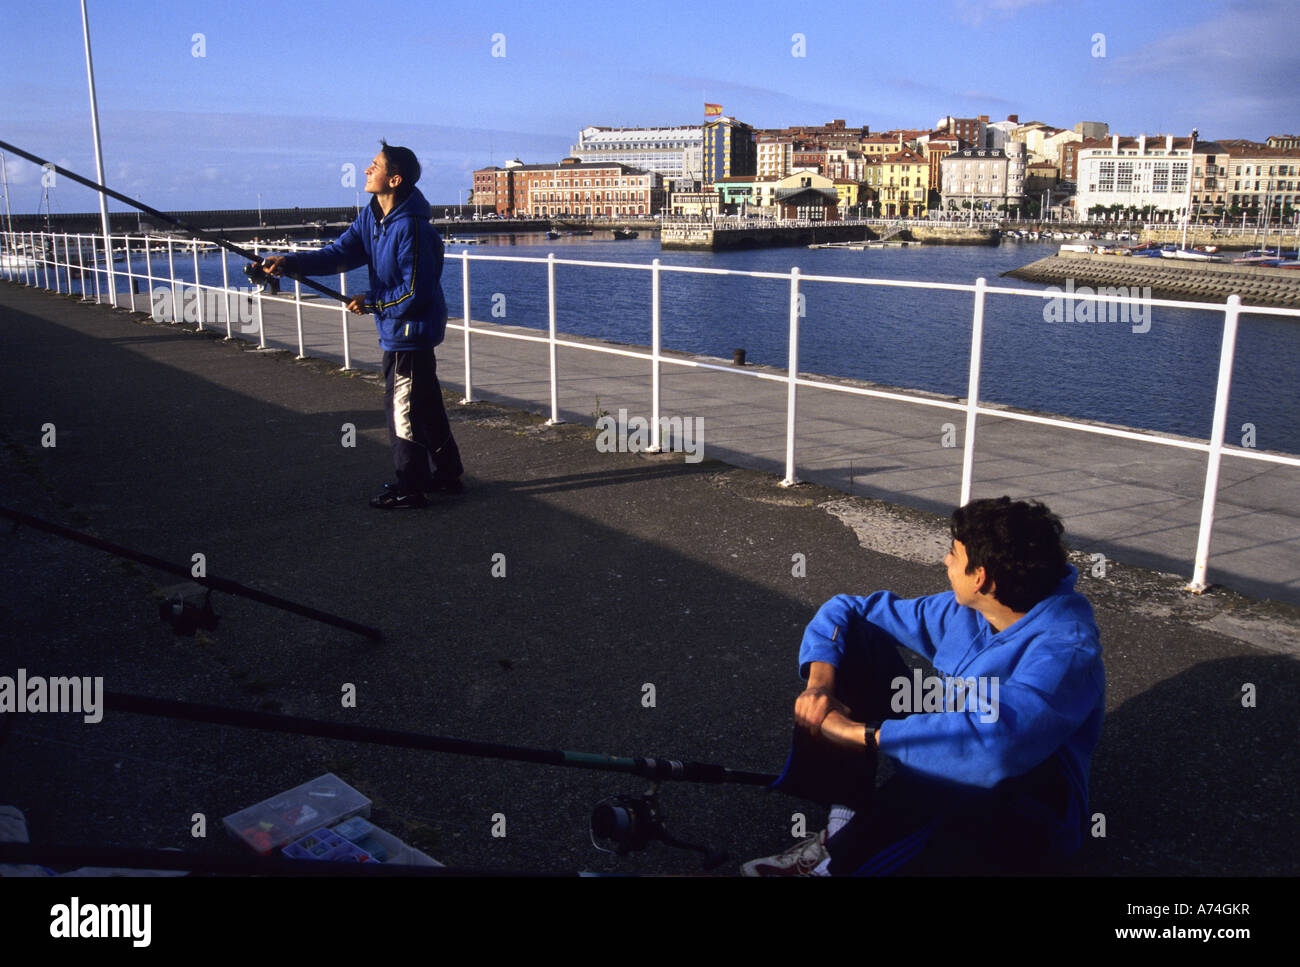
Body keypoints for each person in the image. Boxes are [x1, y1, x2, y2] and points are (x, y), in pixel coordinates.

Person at [742, 496, 1105, 876]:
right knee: (858, 636)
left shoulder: (1066, 649)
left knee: (943, 777)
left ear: (981, 578)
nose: (946, 560)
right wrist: (819, 686)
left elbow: (993, 747)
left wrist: (858, 733)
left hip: (1029, 806)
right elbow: (846, 610)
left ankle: (839, 860)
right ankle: (845, 818)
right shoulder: (969, 610)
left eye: (954, 554)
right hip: (968, 744)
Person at [261, 141, 463, 509]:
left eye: (375, 165)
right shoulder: (372, 217)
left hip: (410, 333)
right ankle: (447, 474)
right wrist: (289, 263)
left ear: (395, 179)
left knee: (401, 410)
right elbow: (338, 254)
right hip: (397, 329)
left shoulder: (413, 229)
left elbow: (415, 292)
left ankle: (410, 487)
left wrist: (372, 301)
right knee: (425, 403)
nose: (367, 170)